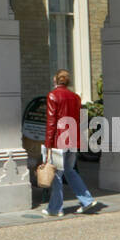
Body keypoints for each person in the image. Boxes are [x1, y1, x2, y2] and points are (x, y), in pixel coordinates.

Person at [43, 70, 104, 218]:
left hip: (59, 140)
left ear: (56, 80)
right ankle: (86, 200)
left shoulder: (53, 95)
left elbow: (52, 122)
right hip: (73, 139)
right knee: (70, 171)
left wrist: (48, 143)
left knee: (57, 175)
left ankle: (55, 208)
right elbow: (81, 120)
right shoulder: (75, 97)